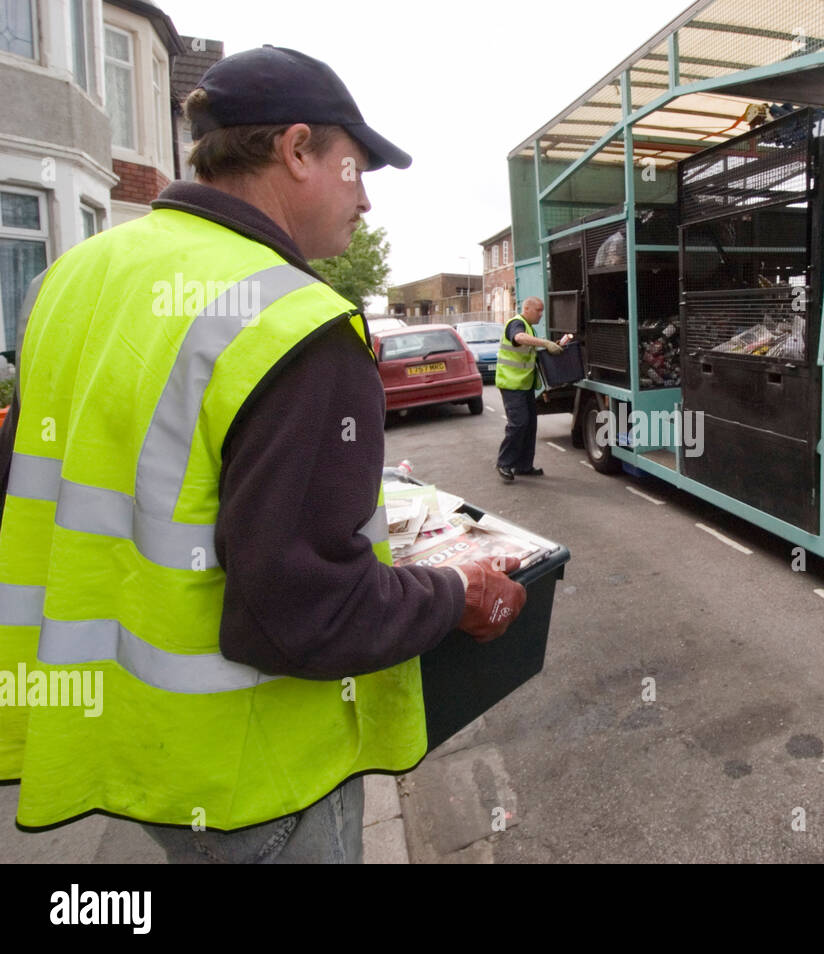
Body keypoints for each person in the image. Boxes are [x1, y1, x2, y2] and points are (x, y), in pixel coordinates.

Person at [0, 46, 526, 863]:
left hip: (129, 743)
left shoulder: (70, 279)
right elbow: (307, 612)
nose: (366, 201)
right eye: (355, 170)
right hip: (255, 776)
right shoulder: (294, 323)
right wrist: (456, 592)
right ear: (296, 149)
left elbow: (121, 469)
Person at [495, 297, 571, 482]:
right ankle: (504, 463)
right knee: (519, 424)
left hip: (525, 385)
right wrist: (545, 343)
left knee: (529, 426)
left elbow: (531, 355)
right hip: (512, 385)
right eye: (538, 310)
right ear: (527, 308)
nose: (541, 314)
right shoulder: (516, 324)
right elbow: (519, 338)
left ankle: (523, 466)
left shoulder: (529, 328)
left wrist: (554, 347)